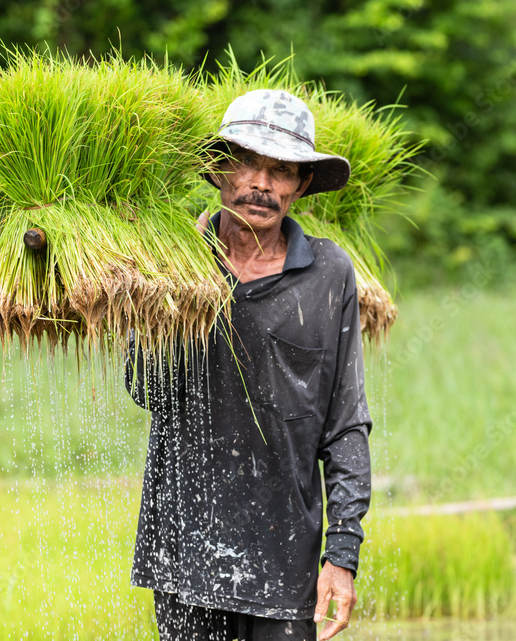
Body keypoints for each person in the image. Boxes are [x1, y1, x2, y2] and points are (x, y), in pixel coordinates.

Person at [126, 89, 372, 641]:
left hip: (286, 559)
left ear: (301, 185)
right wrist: (163, 295)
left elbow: (346, 421)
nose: (261, 183)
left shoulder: (329, 274)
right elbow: (145, 390)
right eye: (247, 163)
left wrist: (343, 554)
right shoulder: (177, 261)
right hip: (185, 555)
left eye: (280, 170)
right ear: (219, 169)